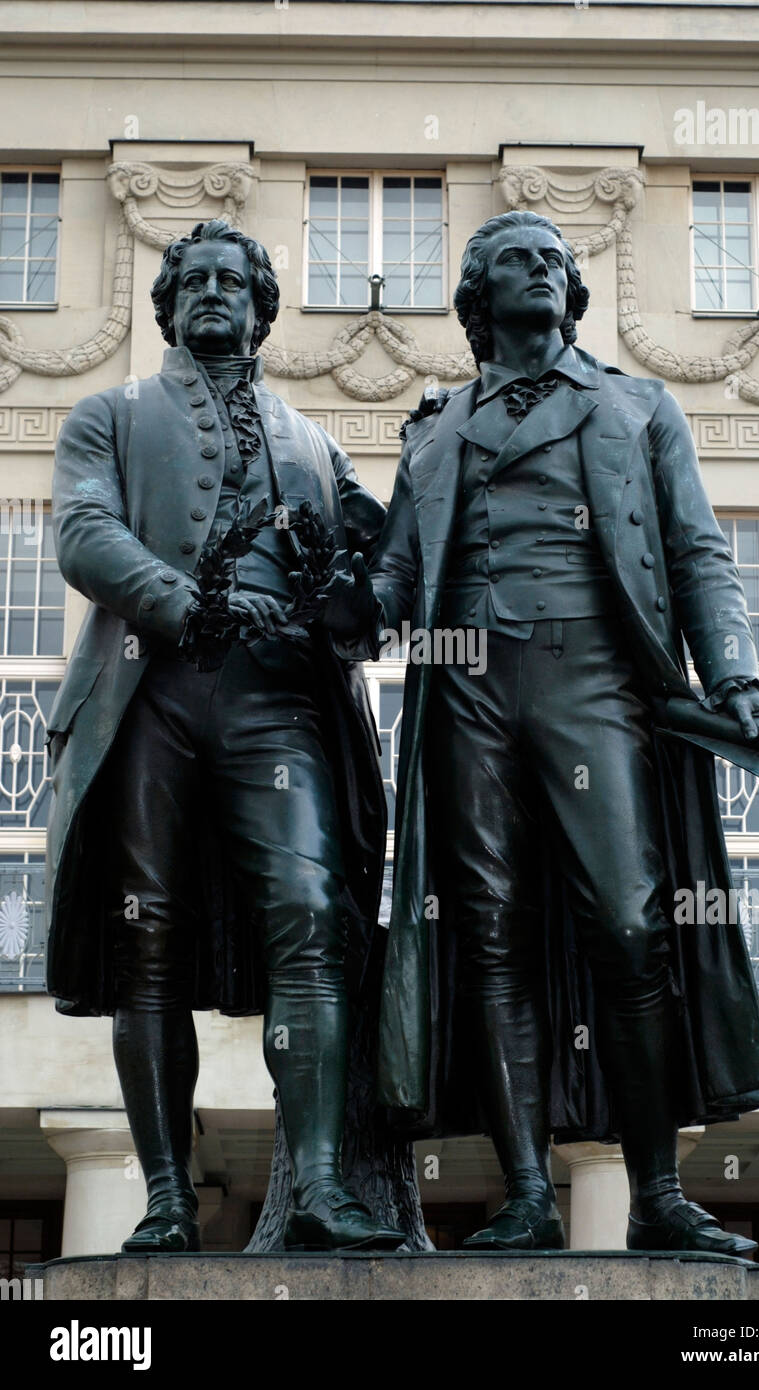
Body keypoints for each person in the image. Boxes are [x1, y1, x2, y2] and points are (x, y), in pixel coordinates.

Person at [329, 210, 759, 1254]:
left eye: (551, 260)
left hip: (593, 677)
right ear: (476, 299)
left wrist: (734, 674)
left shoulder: (636, 404)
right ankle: (527, 1193)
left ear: (570, 292)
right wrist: (347, 603)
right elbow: (397, 579)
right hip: (467, 685)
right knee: (489, 935)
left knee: (631, 929)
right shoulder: (436, 430)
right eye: (510, 262)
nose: (536, 271)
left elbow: (695, 551)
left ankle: (656, 1193)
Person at [45, 219, 405, 1254]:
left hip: (277, 700)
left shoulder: (315, 440)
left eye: (231, 281)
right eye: (192, 280)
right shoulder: (106, 414)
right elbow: (83, 533)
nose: (211, 293)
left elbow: (378, 564)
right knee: (145, 936)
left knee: (307, 913)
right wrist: (178, 600)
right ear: (167, 305)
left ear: (260, 308)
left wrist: (359, 592)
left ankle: (322, 1192)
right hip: (149, 687)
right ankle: (164, 1197)